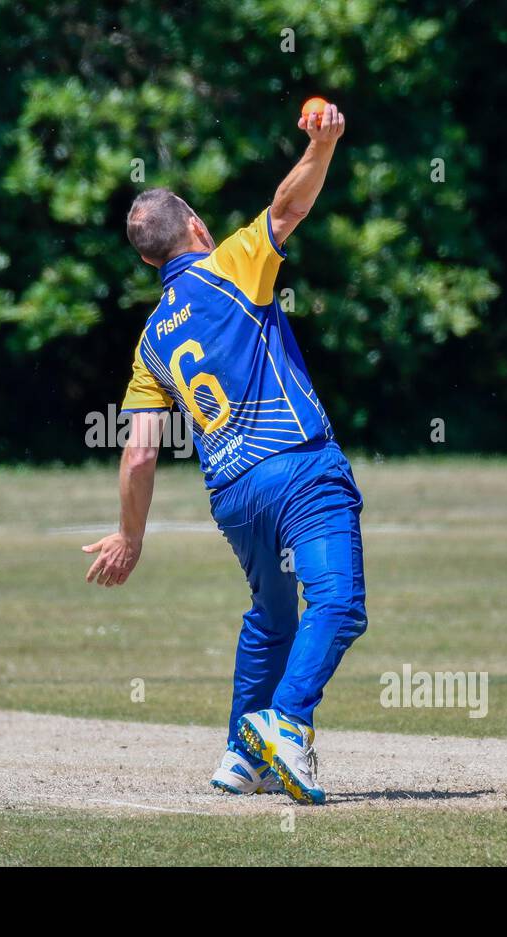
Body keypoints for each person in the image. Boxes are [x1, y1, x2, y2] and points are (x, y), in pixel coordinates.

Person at [82, 104, 365, 805]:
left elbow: (140, 455)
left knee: (272, 617)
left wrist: (130, 536)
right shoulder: (229, 264)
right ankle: (286, 726)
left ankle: (241, 755)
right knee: (339, 602)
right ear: (197, 230)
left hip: (234, 497)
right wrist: (324, 145)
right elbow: (288, 206)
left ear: (150, 260)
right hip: (299, 467)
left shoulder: (151, 340)